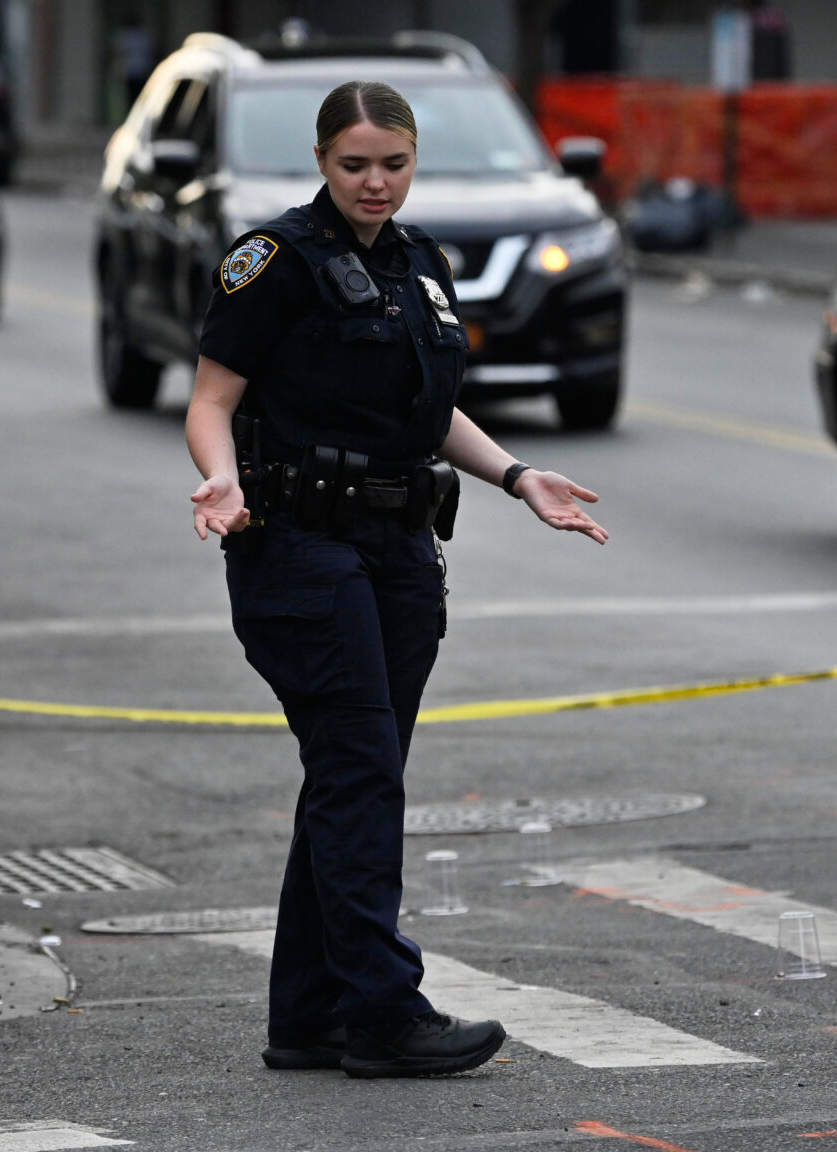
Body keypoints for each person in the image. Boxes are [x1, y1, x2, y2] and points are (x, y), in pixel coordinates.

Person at [185, 80, 608, 1079]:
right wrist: (219, 476)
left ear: (414, 161)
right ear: (322, 162)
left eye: (394, 164)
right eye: (354, 165)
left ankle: (310, 1013)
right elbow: (210, 397)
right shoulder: (275, 261)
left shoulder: (422, 266)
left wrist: (517, 477)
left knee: (351, 774)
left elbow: (427, 417)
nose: (375, 183)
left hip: (398, 547)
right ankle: (381, 1013)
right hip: (298, 543)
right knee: (359, 771)